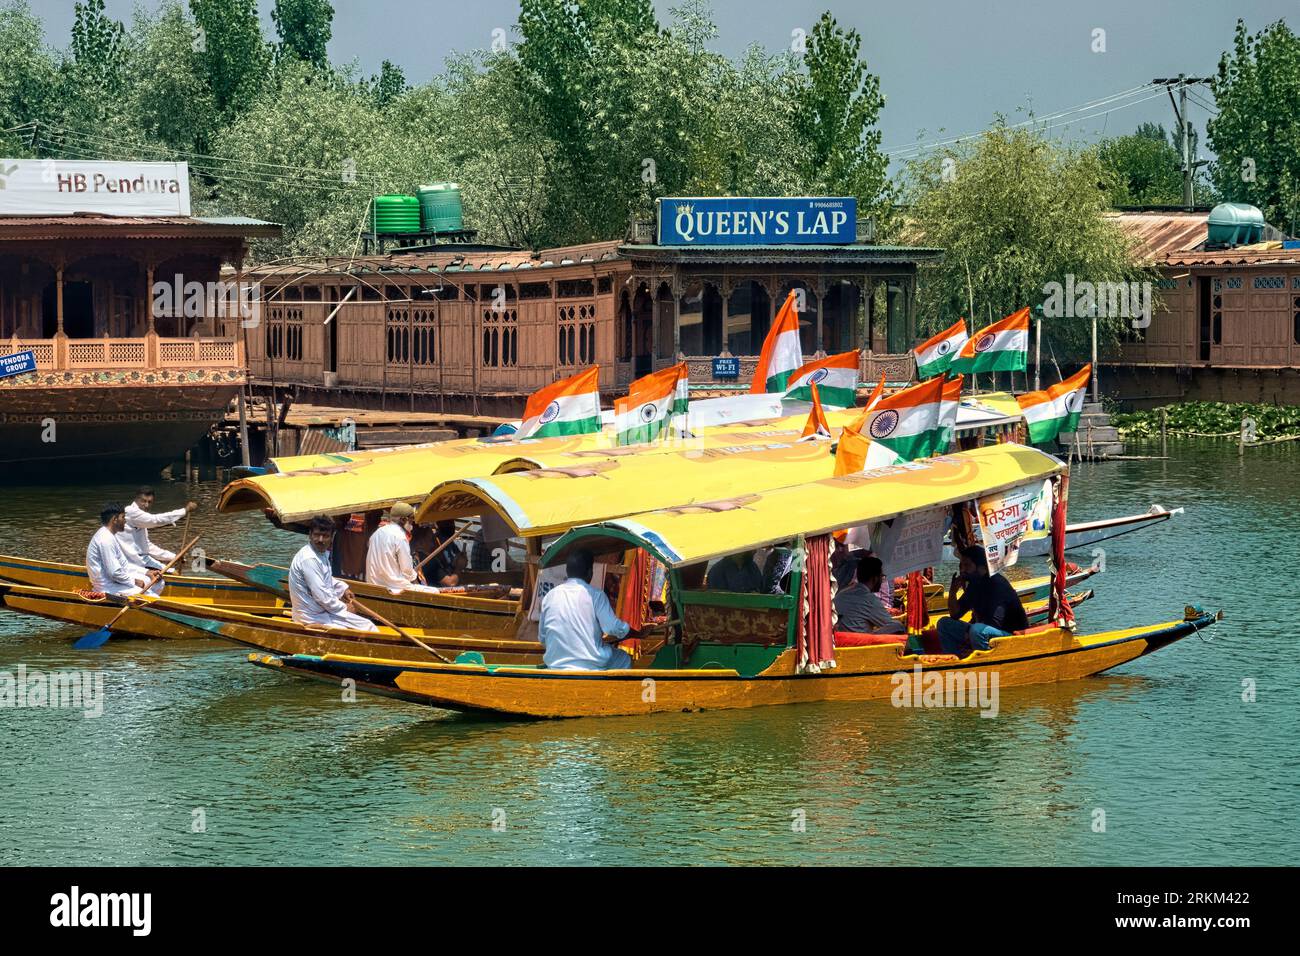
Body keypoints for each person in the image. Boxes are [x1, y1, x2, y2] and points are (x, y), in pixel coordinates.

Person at [538, 549, 633, 670]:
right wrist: (629, 630)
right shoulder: (596, 595)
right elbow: (612, 628)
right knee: (625, 659)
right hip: (590, 665)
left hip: (556, 665)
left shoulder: (549, 596)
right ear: (590, 572)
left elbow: (542, 637)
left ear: (567, 571)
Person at [289, 515, 378, 631]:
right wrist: (344, 607)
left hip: (320, 611)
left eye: (325, 536)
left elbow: (325, 578)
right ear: (310, 535)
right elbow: (322, 596)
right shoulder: (309, 559)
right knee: (360, 628)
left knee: (368, 625)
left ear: (332, 537)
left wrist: (343, 588)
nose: (320, 540)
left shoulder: (320, 553)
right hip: (310, 616)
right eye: (316, 535)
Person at [937, 545, 1029, 655]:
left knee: (977, 630)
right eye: (961, 565)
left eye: (967, 565)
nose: (962, 570)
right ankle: (954, 660)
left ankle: (982, 660)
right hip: (984, 631)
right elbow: (955, 614)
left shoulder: (996, 584)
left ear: (982, 568)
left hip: (1011, 636)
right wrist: (953, 592)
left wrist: (969, 637)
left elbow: (993, 624)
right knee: (944, 624)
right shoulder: (974, 584)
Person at [87, 503, 164, 597]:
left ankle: (140, 607)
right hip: (108, 587)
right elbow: (115, 573)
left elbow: (124, 565)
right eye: (123, 517)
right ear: (115, 520)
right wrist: (136, 582)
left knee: (157, 582)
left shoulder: (110, 536)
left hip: (115, 582)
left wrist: (147, 572)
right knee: (153, 597)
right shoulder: (106, 539)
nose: (125, 521)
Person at [366, 502, 439, 593]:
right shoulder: (400, 536)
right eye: (411, 519)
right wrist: (415, 582)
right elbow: (407, 570)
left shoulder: (377, 533)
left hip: (373, 584)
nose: (413, 524)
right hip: (394, 588)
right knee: (435, 591)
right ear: (403, 520)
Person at [118, 487, 196, 570]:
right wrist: (185, 510)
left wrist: (174, 557)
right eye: (143, 501)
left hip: (142, 559)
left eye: (150, 502)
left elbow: (148, 547)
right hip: (131, 562)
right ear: (136, 499)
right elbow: (155, 520)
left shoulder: (141, 520)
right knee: (171, 573)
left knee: (171, 571)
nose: (146, 505)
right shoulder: (130, 511)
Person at [834, 555, 906, 635]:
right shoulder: (870, 599)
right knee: (899, 626)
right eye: (881, 577)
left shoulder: (841, 594)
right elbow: (890, 624)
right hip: (860, 643)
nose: (882, 581)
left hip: (840, 641)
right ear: (875, 579)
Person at [423, 520, 464, 587]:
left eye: (452, 522)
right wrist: (459, 567)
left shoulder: (450, 542)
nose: (451, 525)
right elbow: (450, 584)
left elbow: (459, 559)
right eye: (447, 522)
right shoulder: (435, 543)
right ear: (438, 523)